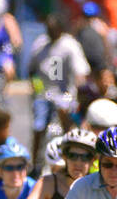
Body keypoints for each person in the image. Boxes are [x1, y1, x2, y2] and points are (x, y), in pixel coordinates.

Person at [27, 13, 90, 169]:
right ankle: (35, 164)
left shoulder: (70, 45)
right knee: (39, 126)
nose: (50, 32)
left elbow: (81, 72)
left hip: (64, 95)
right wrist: (35, 87)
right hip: (44, 93)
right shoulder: (41, 44)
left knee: (66, 127)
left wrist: (76, 96)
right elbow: (31, 69)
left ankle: (69, 159)